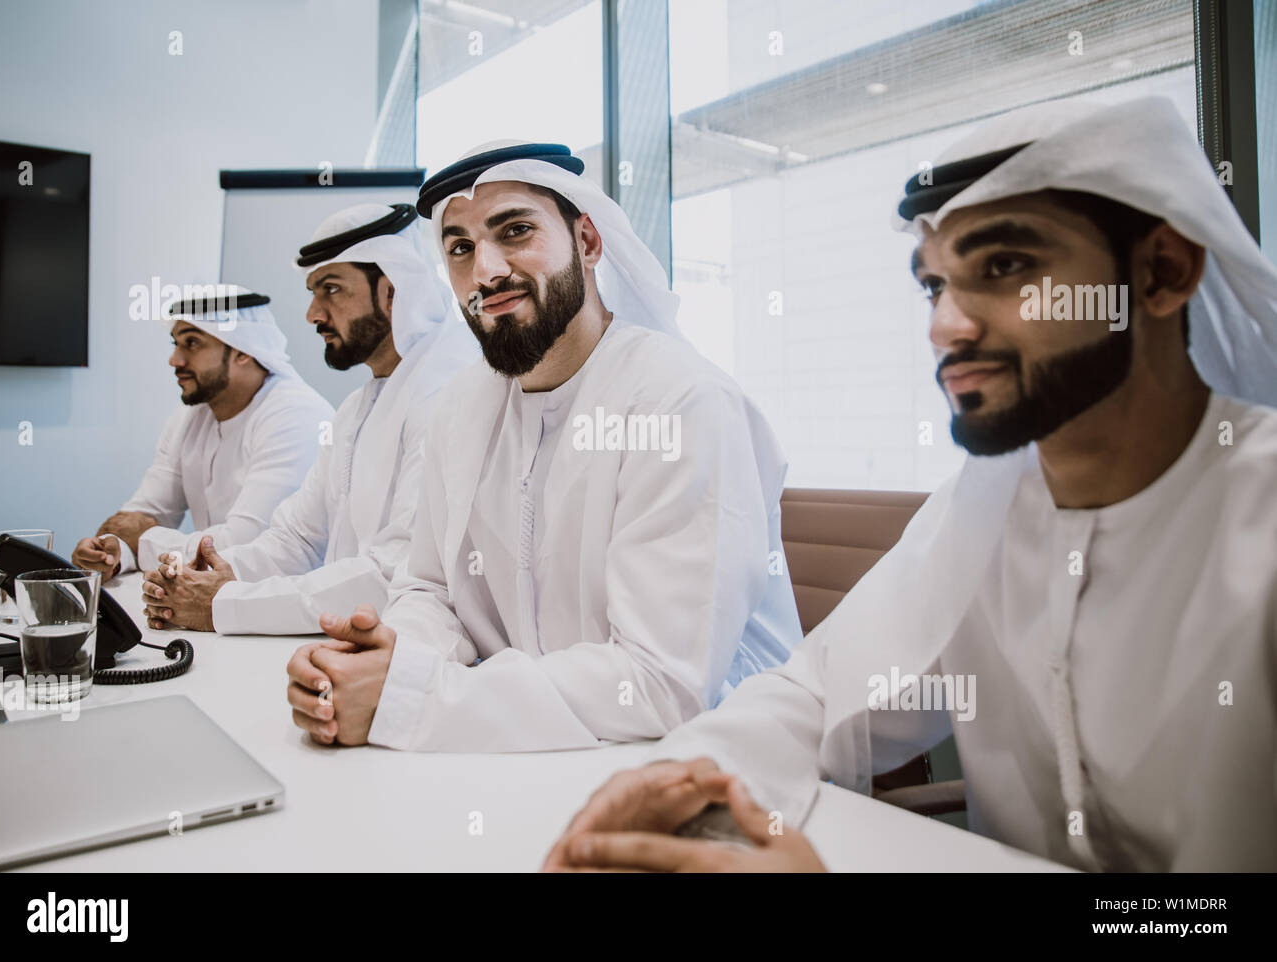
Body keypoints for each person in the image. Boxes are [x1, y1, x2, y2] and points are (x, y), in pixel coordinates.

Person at [543, 97, 1277, 873]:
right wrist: (673, 786)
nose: (947, 327)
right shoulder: (987, 499)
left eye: (1005, 267)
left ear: (1162, 271)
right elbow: (814, 697)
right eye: (934, 286)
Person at [285, 142, 803, 751]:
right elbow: (431, 592)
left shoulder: (679, 402)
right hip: (539, 750)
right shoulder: (460, 408)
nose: (487, 271)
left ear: (587, 242)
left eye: (516, 231)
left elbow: (661, 685)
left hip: (716, 770)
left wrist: (407, 698)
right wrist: (381, 664)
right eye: (461, 248)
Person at [138, 205, 478, 634]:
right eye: (313, 293)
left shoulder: (450, 390)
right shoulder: (357, 408)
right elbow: (296, 539)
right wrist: (201, 578)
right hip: (339, 644)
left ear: (392, 291)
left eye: (331, 290)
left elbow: (394, 573)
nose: (313, 314)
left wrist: (226, 604)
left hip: (416, 664)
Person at [71, 287, 332, 581]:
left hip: (288, 609)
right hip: (214, 599)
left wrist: (142, 540)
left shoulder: (297, 415)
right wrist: (110, 552)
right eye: (176, 343)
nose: (175, 360)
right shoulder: (191, 416)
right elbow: (146, 512)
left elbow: (248, 545)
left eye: (192, 343)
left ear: (242, 350)